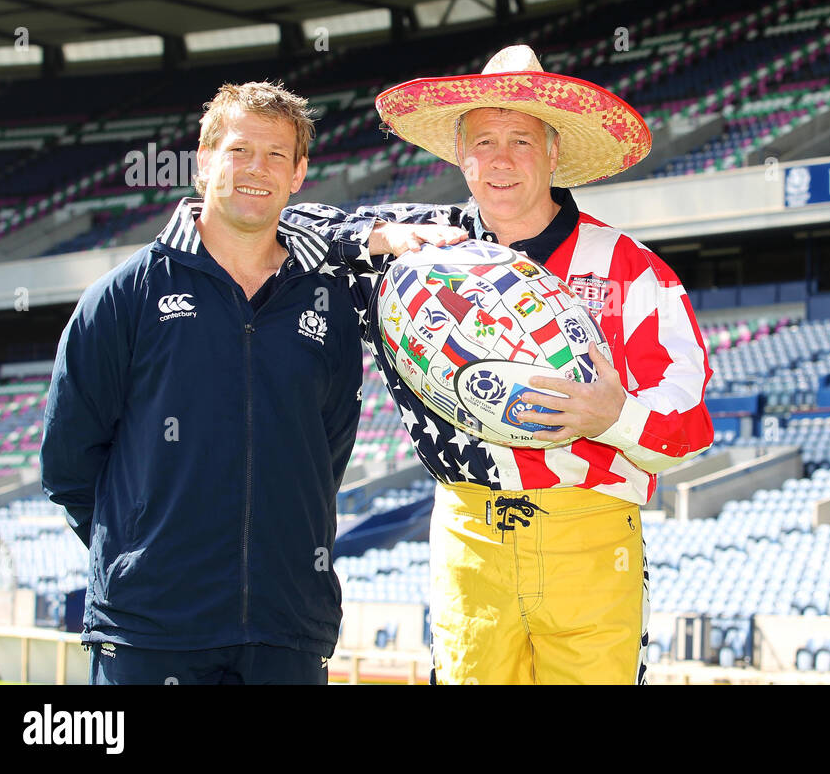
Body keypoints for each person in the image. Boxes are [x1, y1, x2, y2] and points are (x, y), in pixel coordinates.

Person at [283, 45, 714, 684]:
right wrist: (377, 237)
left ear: (555, 152)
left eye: (522, 139)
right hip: (468, 539)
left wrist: (615, 414)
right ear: (460, 155)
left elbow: (692, 433)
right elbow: (276, 227)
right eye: (484, 141)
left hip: (590, 540)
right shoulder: (418, 251)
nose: (501, 160)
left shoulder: (629, 268)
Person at [39, 81, 458, 684]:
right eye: (239, 151)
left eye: (276, 156)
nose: (256, 169)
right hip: (150, 631)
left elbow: (324, 453)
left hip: (285, 627)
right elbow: (69, 464)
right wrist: (144, 554)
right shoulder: (125, 295)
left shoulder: (329, 301)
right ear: (205, 160)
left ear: (298, 174)